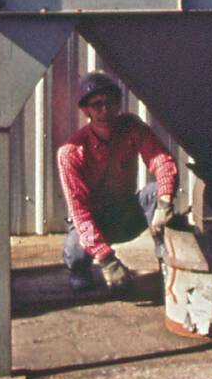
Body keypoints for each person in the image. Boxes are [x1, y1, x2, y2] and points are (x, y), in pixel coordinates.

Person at [57, 71, 178, 294]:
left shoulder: (132, 127)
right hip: (93, 222)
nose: (105, 110)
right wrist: (108, 261)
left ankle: (168, 265)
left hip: (126, 215)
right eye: (97, 104)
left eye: (111, 102)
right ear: (86, 110)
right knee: (76, 249)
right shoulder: (71, 153)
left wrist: (165, 202)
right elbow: (80, 212)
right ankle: (80, 271)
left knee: (155, 191)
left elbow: (161, 160)